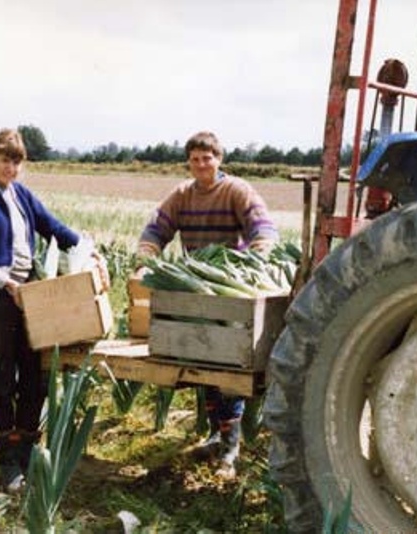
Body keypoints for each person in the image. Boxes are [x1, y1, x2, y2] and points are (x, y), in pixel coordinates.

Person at [0, 128, 92, 493]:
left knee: (35, 370)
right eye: (4, 160)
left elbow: (54, 228)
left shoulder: (21, 195)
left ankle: (29, 446)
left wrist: (90, 251)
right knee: (1, 373)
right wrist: (5, 282)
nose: (10, 168)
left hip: (30, 295)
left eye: (16, 162)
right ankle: (7, 458)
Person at [134, 131, 279, 477]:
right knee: (203, 369)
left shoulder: (236, 190)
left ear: (219, 159)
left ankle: (230, 450)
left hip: (228, 297)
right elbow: (156, 229)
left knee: (227, 370)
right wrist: (146, 256)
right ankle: (216, 435)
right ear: (189, 162)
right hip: (195, 293)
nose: (201, 164)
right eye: (195, 159)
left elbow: (264, 231)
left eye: (207, 158)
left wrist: (252, 263)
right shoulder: (182, 194)